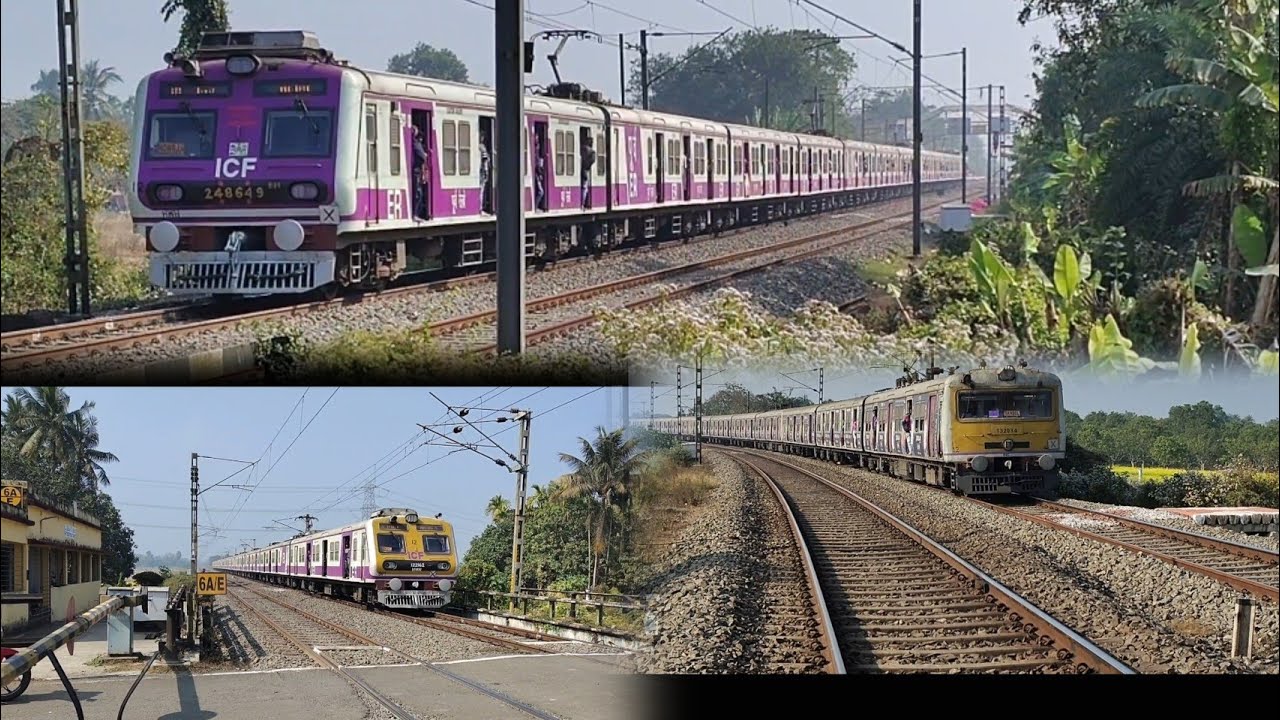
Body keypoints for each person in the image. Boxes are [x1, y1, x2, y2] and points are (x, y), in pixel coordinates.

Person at [412, 125, 429, 221]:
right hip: (417, 171)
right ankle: (416, 214)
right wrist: (425, 154)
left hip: (417, 171)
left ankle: (416, 213)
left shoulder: (414, 143)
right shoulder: (416, 144)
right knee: (418, 193)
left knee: (418, 193)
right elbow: (423, 157)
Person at [580, 134, 596, 210]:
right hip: (586, 171)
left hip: (580, 170)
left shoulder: (582, 149)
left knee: (583, 187)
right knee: (585, 188)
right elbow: (592, 161)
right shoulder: (592, 152)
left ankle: (582, 203)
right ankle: (583, 204)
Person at [479, 129, 492, 214]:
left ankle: (481, 206)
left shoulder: (479, 146)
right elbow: (485, 160)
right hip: (482, 172)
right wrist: (486, 171)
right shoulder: (482, 147)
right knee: (482, 190)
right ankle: (481, 207)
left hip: (480, 171)